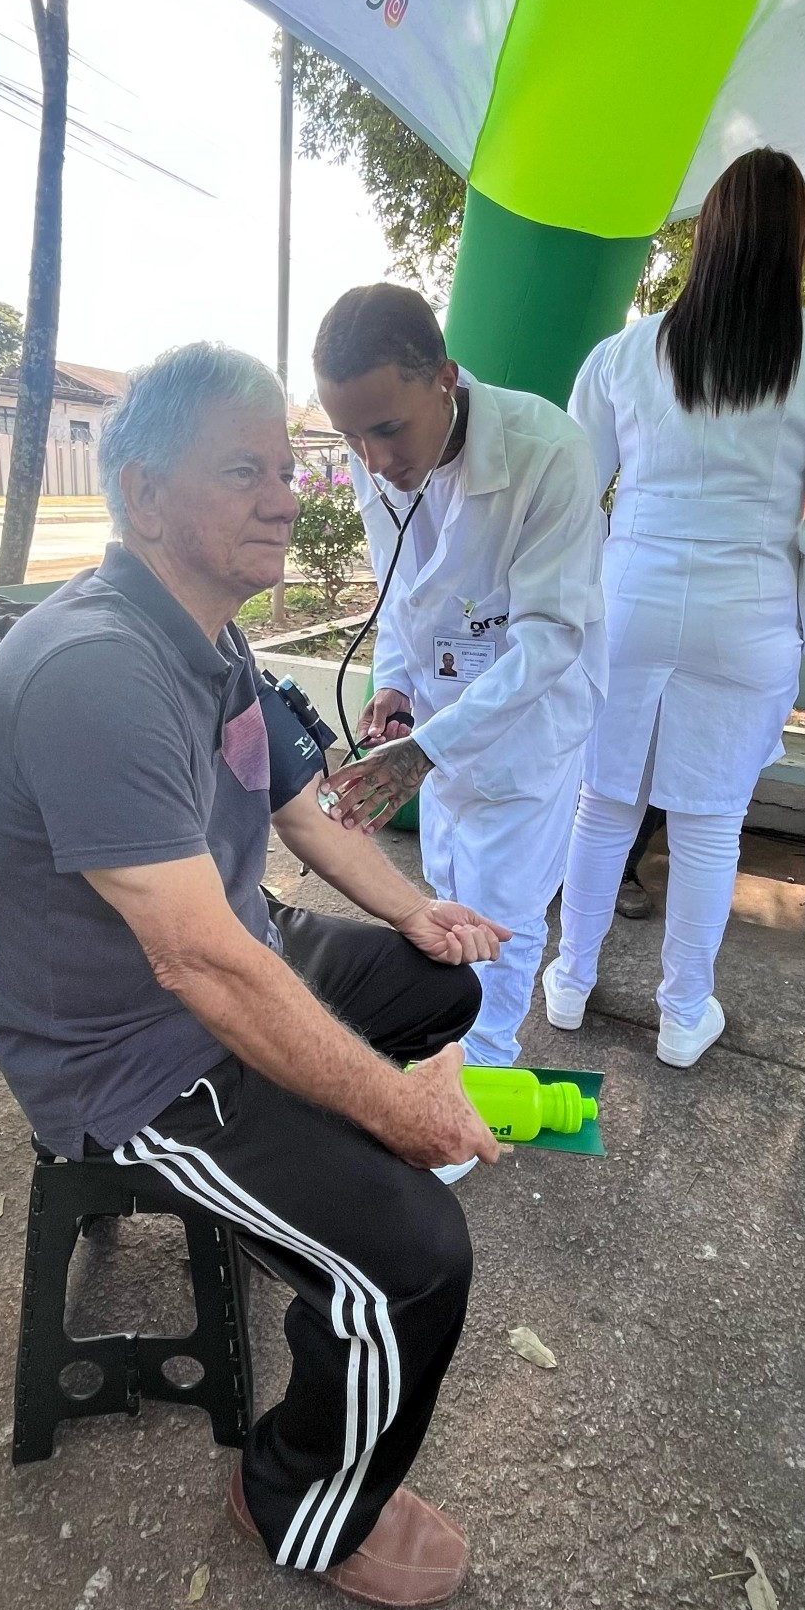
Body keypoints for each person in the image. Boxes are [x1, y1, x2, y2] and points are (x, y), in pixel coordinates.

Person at [0, 343, 514, 1610]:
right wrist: (395, 1113)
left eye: (288, 467)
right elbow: (193, 960)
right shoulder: (98, 670)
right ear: (148, 498)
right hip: (133, 1055)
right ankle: (298, 1502)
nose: (286, 495)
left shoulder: (213, 644)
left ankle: (325, 1197)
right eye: (242, 471)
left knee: (443, 993)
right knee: (419, 1259)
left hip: (231, 955)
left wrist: (419, 910)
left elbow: (310, 810)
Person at [541, 148, 805, 1067]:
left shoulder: (628, 350)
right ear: (796, 235)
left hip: (632, 595)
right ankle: (683, 1013)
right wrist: (796, 620)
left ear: (709, 233)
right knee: (709, 819)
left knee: (602, 800)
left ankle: (569, 982)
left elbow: (574, 492)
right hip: (752, 604)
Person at [313, 283, 607, 1075]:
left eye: (386, 429)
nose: (372, 459)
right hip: (438, 730)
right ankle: (447, 1058)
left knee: (498, 921)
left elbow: (548, 643)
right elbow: (400, 586)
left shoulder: (549, 453)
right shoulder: (371, 453)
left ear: (444, 376)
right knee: (443, 903)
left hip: (523, 731)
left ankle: (481, 1085)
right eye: (350, 435)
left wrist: (424, 750)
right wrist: (395, 686)